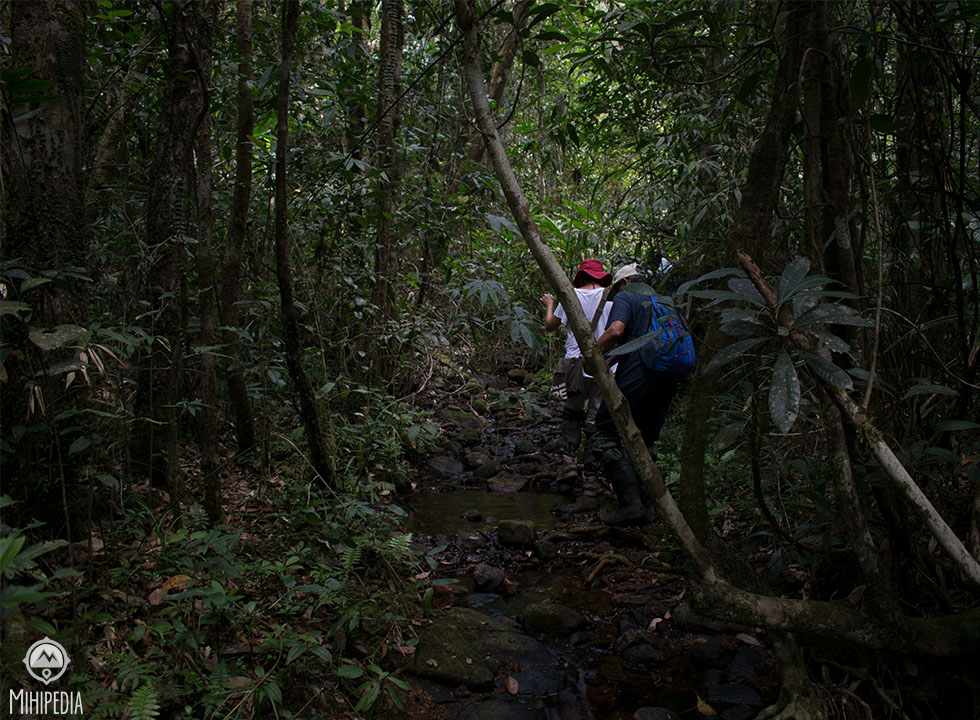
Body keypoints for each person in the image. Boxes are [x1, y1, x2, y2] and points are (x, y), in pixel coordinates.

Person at [592, 263, 680, 526]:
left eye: (617, 287)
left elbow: (616, 330)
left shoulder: (626, 296)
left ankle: (631, 505)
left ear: (625, 283)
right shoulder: (665, 301)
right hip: (668, 378)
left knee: (605, 432)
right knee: (646, 438)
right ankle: (649, 507)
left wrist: (592, 352)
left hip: (639, 374)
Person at [539, 259, 613, 461]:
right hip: (605, 364)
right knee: (596, 413)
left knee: (573, 410)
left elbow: (551, 326)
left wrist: (550, 305)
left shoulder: (571, 296)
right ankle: (591, 461)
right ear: (601, 276)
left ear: (581, 276)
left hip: (575, 364)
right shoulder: (613, 297)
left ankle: (569, 456)